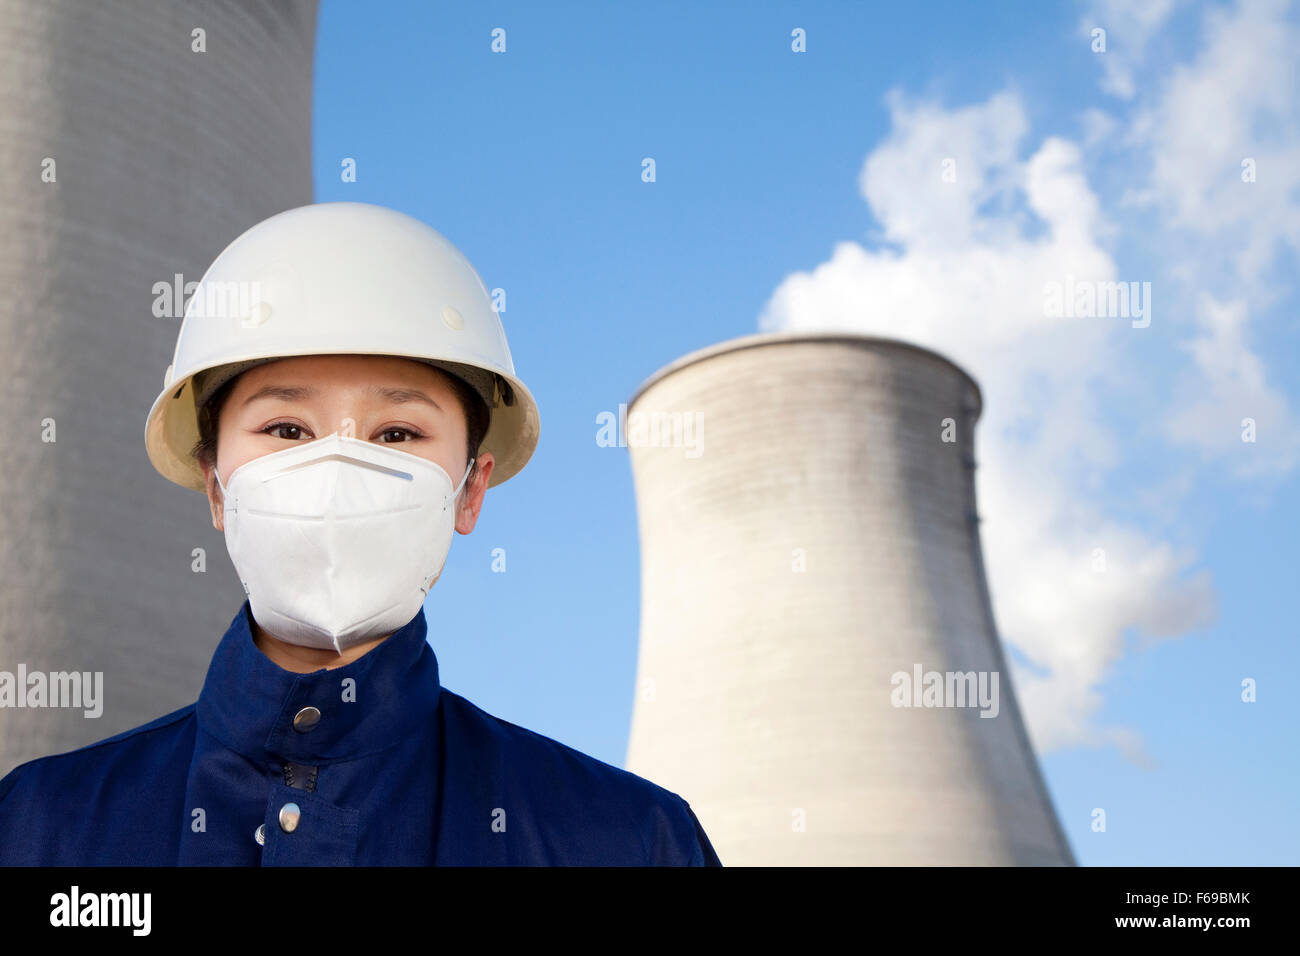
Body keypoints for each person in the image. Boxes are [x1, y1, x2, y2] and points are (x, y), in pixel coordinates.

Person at [0, 201, 721, 866]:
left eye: (397, 433)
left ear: (470, 490)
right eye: (286, 428)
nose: (339, 468)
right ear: (217, 485)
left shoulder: (626, 839)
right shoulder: (41, 827)